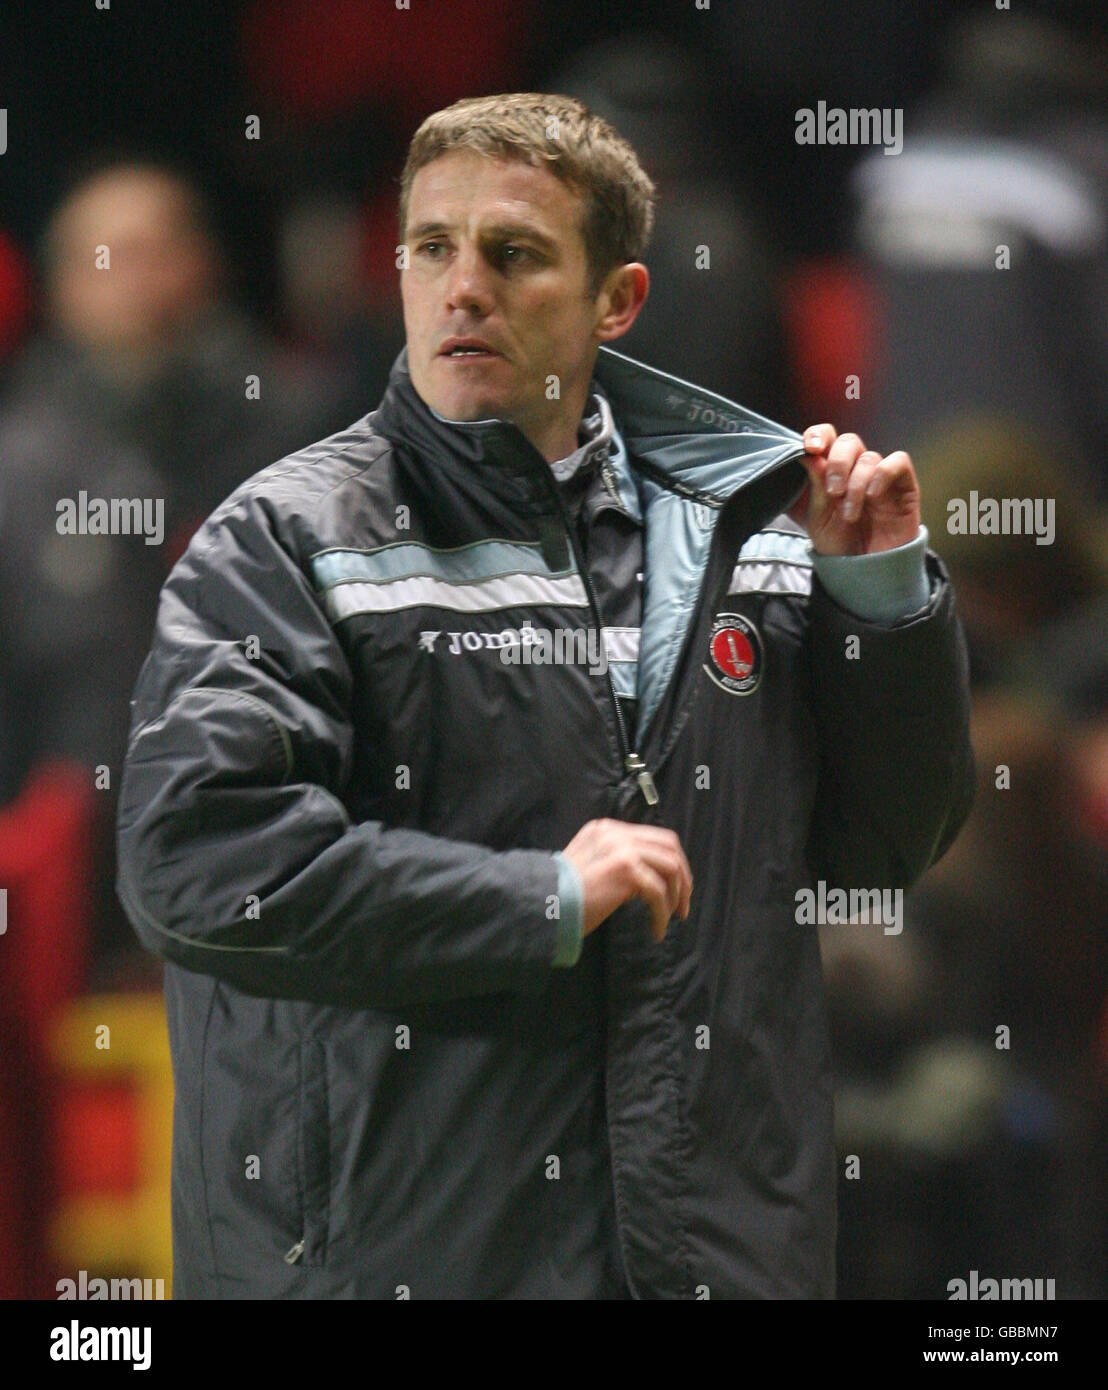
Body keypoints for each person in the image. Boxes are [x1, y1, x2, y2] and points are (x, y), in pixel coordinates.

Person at [115, 93, 975, 1299]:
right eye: (430, 248)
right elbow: (201, 863)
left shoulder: (756, 540)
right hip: (396, 1261)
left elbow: (875, 849)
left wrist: (878, 597)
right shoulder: (283, 542)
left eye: (512, 254)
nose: (460, 287)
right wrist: (541, 900)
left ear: (616, 300)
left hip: (711, 1259)